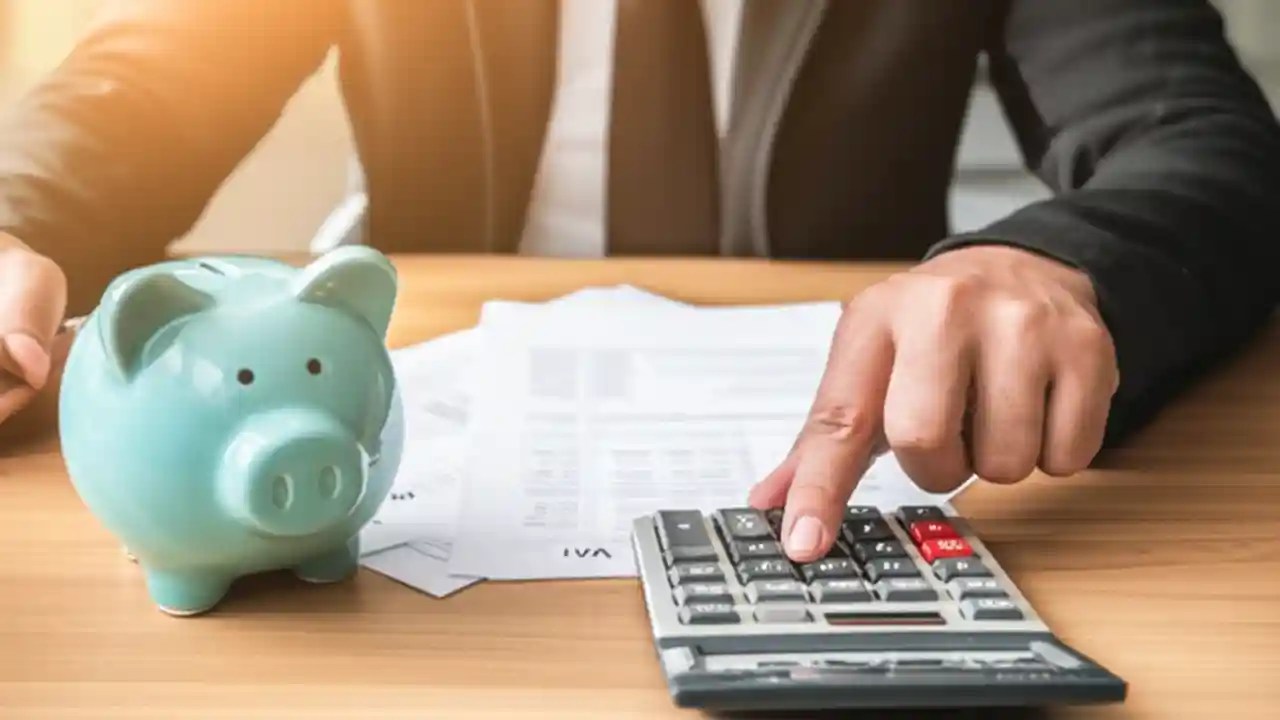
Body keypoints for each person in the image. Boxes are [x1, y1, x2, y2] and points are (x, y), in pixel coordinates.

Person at [0, 1, 1276, 562]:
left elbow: (1196, 134)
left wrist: (1059, 258)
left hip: (841, 429)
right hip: (420, 415)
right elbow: (138, 89)